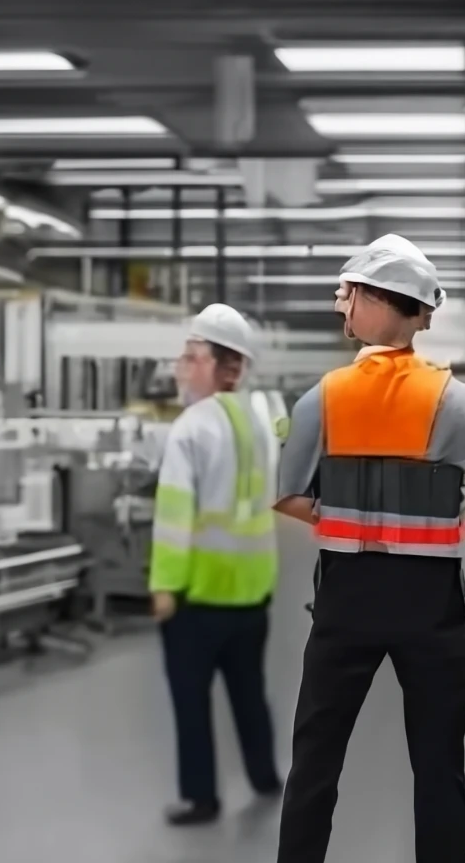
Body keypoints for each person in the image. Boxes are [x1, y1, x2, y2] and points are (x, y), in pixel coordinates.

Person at [273, 235, 465, 863]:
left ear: (377, 301)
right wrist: (464, 523)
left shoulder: (321, 399)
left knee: (314, 765)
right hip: (431, 604)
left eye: (348, 294)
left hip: (345, 600)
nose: (341, 306)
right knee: (439, 768)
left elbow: (287, 495)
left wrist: (339, 517)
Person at [149, 303, 282, 826]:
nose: (183, 367)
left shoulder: (192, 428)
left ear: (227, 366)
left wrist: (164, 586)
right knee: (250, 691)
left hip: (199, 595)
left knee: (192, 702)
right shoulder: (259, 421)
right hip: (253, 590)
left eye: (193, 357)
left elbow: (175, 517)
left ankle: (202, 798)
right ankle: (265, 775)